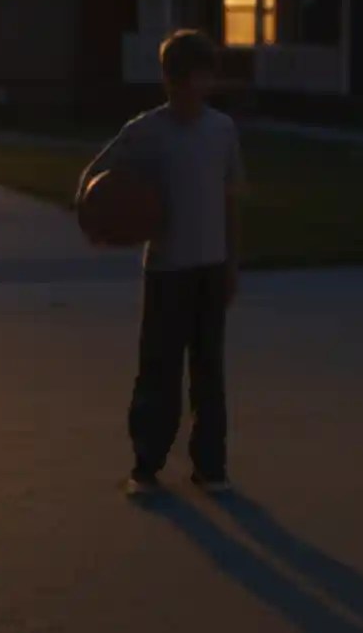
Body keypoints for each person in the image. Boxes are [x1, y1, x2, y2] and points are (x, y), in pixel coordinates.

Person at [74, 29, 245, 496]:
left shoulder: (221, 131)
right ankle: (146, 466)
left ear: (208, 81)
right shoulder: (146, 130)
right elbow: (92, 182)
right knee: (158, 369)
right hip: (166, 270)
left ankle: (210, 466)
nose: (189, 91)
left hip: (210, 268)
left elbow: (230, 201)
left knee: (209, 370)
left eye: (198, 81)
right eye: (179, 82)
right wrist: (102, 222)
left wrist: (231, 265)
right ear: (167, 82)